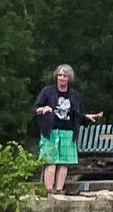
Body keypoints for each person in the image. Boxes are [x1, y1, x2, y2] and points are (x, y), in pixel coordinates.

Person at [32, 64, 102, 195]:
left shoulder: (74, 95)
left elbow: (78, 115)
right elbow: (36, 109)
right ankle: (48, 191)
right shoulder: (47, 91)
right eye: (60, 75)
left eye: (65, 76)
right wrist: (44, 109)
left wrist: (87, 117)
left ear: (69, 78)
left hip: (68, 132)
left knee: (64, 163)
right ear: (56, 77)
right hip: (50, 131)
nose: (62, 78)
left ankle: (59, 190)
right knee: (50, 161)